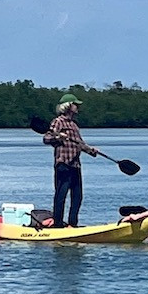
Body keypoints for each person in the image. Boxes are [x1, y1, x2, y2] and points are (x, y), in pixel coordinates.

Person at [42, 93, 99, 228]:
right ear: (67, 106)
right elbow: (46, 138)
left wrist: (91, 151)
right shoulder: (58, 122)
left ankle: (73, 224)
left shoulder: (74, 125)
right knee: (61, 195)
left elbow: (79, 144)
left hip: (75, 165)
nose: (77, 107)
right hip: (63, 164)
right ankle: (57, 224)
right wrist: (58, 138)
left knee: (78, 196)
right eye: (75, 104)